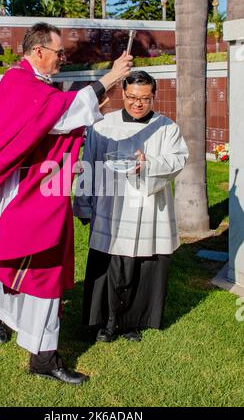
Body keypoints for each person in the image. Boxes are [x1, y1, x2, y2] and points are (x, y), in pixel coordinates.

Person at [0, 23, 133, 384]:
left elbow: (56, 120)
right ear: (38, 51)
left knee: (23, 259)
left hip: (37, 185)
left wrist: (92, 103)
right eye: (59, 53)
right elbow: (56, 115)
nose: (62, 59)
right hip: (21, 190)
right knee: (41, 264)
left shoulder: (34, 83)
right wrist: (108, 77)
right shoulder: (19, 82)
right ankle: (42, 356)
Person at [73, 70, 189, 343]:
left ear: (154, 97)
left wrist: (149, 164)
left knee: (142, 264)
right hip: (110, 206)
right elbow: (88, 164)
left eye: (145, 99)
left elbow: (178, 160)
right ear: (123, 94)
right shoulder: (102, 125)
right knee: (109, 264)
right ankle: (102, 321)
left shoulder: (167, 127)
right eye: (132, 97)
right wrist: (83, 203)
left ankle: (132, 322)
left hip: (149, 207)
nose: (138, 103)